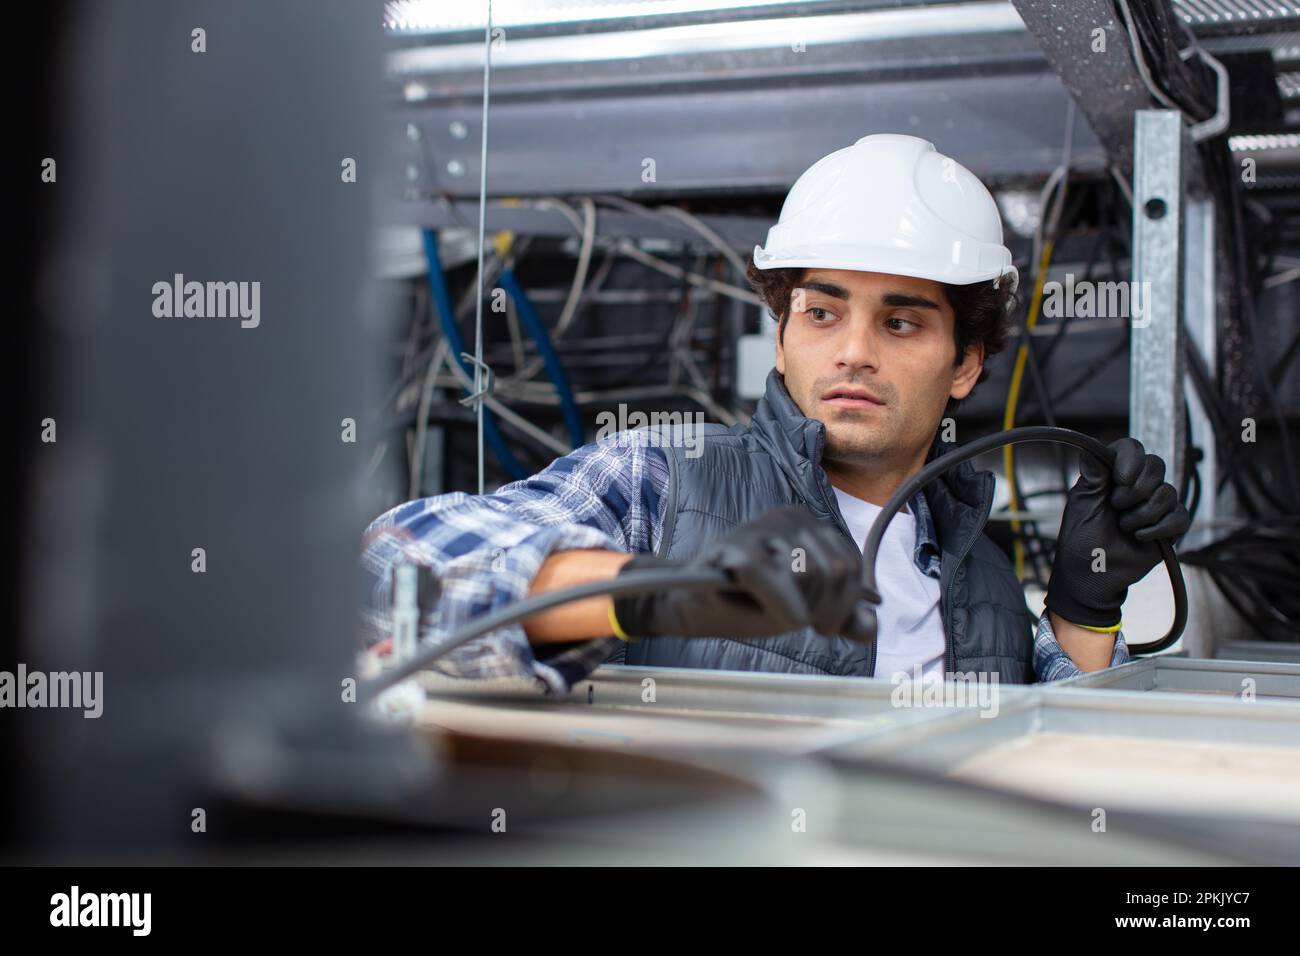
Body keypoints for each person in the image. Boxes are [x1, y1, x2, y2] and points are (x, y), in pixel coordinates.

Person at [360, 133, 1189, 692]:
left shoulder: (985, 582)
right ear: (784, 337)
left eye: (901, 321)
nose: (853, 350)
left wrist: (1087, 602)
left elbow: (1067, 756)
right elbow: (398, 569)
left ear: (966, 362)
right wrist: (677, 592)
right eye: (822, 313)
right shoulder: (662, 480)